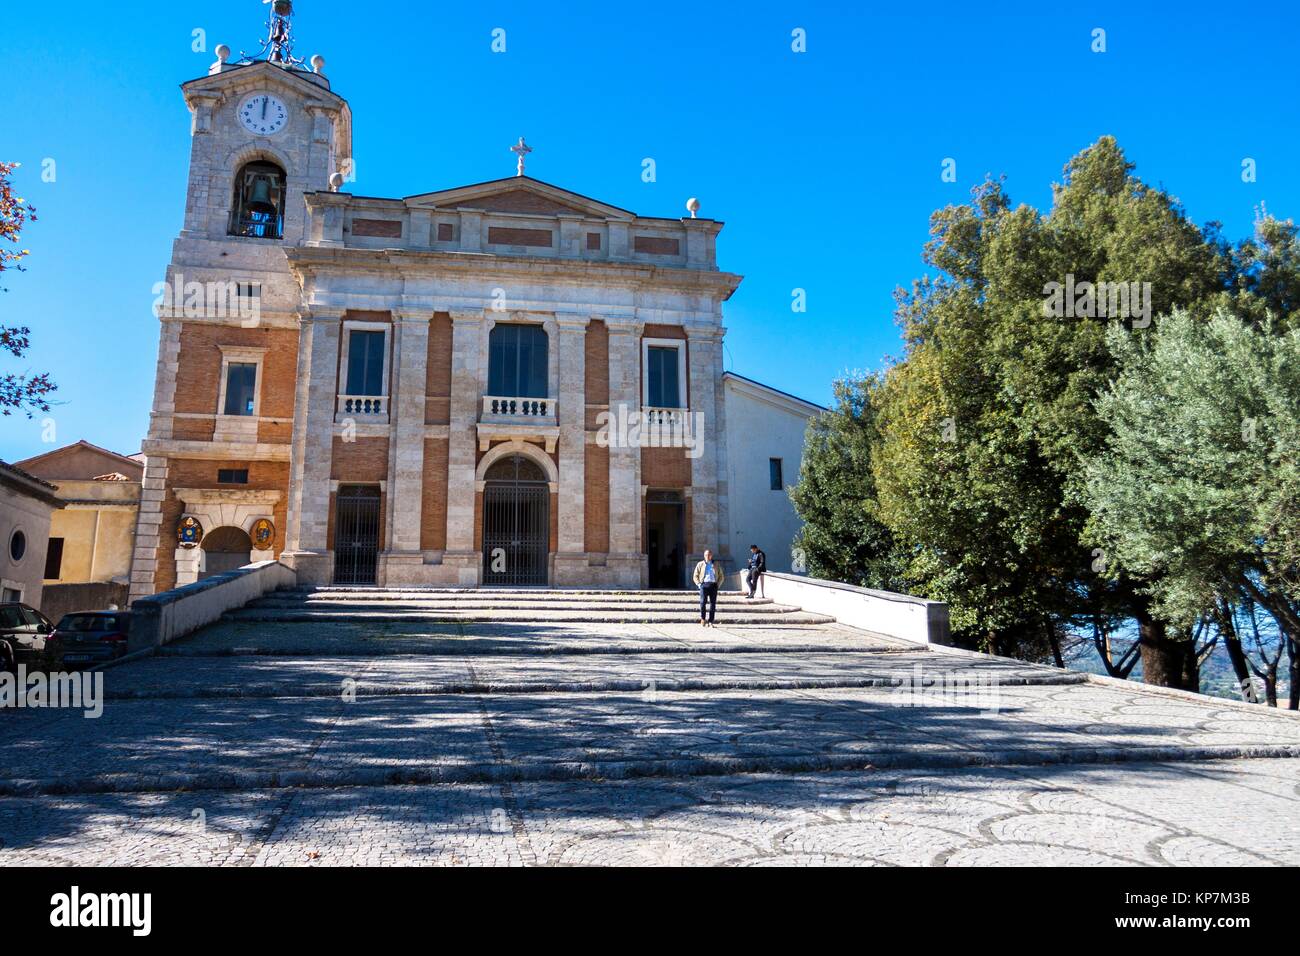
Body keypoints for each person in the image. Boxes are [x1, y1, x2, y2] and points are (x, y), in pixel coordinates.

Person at [692, 549, 724, 627]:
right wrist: (699, 584)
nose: (707, 556)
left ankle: (710, 621)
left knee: (713, 604)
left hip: (713, 585)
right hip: (704, 585)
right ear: (704, 556)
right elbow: (695, 575)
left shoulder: (716, 564)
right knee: (703, 603)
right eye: (706, 555)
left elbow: (721, 576)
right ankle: (703, 619)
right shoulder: (700, 564)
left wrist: (718, 585)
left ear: (711, 555)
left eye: (709, 555)